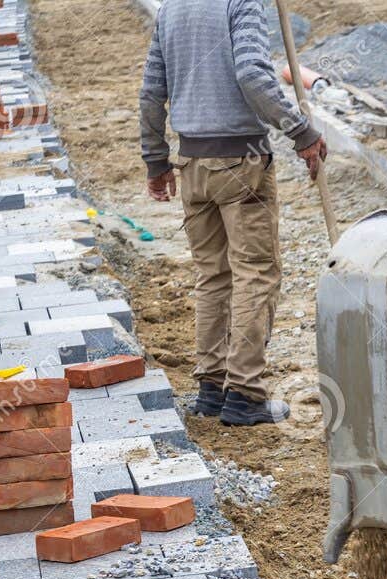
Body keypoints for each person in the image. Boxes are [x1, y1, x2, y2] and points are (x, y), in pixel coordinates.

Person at [139, 0, 327, 426]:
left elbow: (151, 91)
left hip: (192, 164)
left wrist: (156, 160)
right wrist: (299, 129)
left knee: (213, 276)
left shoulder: (173, 9)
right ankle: (244, 393)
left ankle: (211, 386)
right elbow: (251, 75)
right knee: (255, 272)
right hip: (241, 162)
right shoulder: (240, 2)